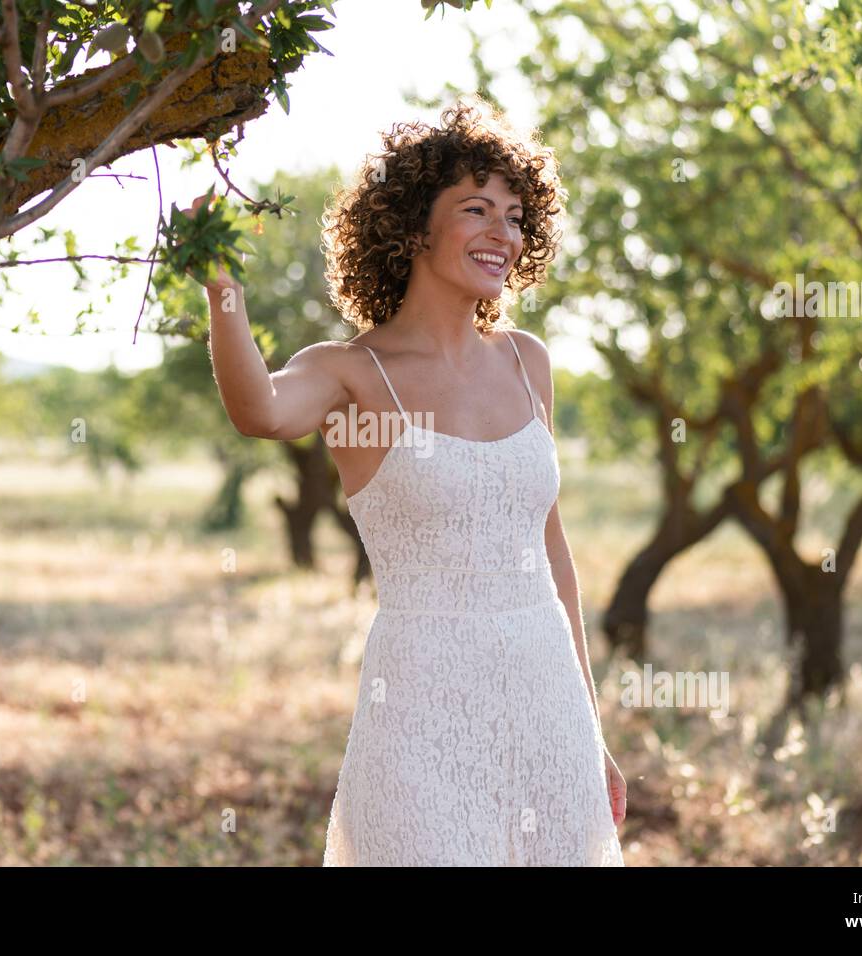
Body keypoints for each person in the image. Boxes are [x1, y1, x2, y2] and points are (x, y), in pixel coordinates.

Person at [190, 96, 626, 866]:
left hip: (546, 704)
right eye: (477, 209)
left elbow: (554, 553)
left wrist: (591, 729)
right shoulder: (352, 373)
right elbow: (258, 409)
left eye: (516, 216)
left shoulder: (529, 362)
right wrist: (221, 286)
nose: (504, 232)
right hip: (420, 711)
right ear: (413, 226)